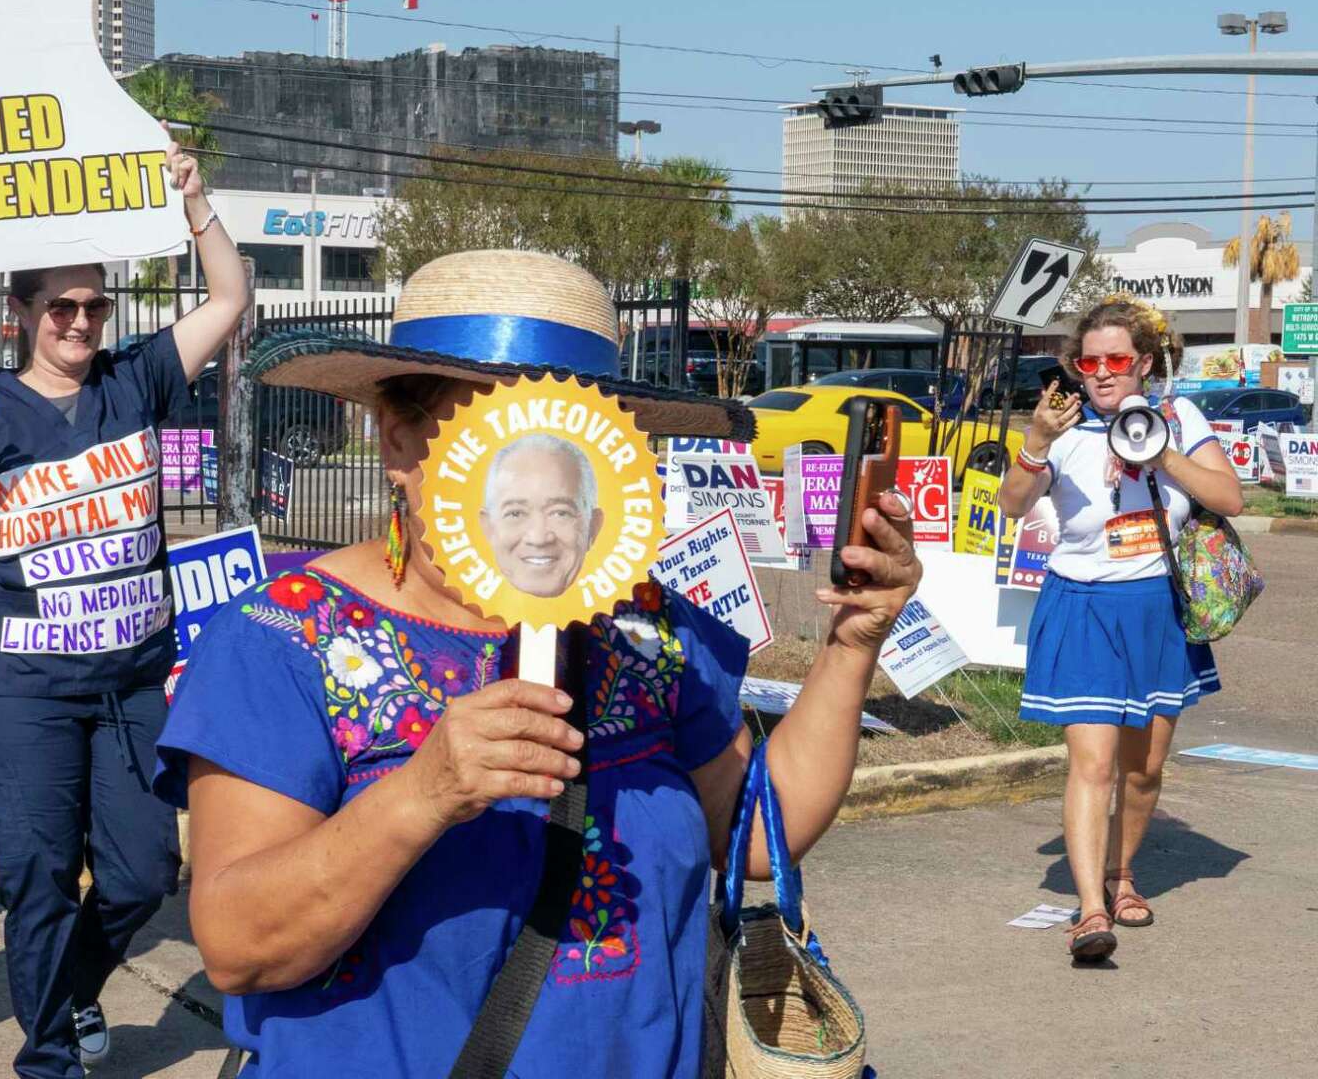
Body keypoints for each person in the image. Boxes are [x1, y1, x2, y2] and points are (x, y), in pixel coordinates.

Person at [153, 249, 922, 1077]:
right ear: (399, 443)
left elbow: (754, 837)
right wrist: (424, 791)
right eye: (488, 439)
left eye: (568, 446)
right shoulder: (282, 642)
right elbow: (238, 947)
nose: (534, 509)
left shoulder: (647, 629)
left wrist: (850, 645)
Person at [0, 135, 250, 1078]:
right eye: (60, 306)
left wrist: (197, 200)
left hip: (132, 684)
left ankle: (70, 992)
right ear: (22, 313)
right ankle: (49, 1058)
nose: (79, 321)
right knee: (42, 879)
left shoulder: (132, 380)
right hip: (19, 691)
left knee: (146, 872)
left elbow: (226, 299)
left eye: (94, 305)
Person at [999, 294, 1242, 964]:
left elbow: (1229, 498)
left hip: (1157, 609)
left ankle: (1123, 873)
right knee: (1095, 764)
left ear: (1144, 363)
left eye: (1117, 360)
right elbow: (1014, 506)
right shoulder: (1065, 426)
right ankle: (1091, 910)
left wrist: (1160, 455)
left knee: (1143, 770)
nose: (1102, 373)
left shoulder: (1175, 417)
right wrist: (1036, 444)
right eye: (1089, 360)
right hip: (1080, 607)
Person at [481, 433, 603, 597]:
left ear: (593, 527)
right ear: (489, 527)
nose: (538, 538)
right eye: (516, 514)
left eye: (560, 513)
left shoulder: (639, 618)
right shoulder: (448, 616)